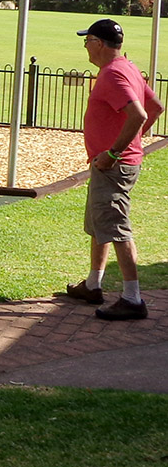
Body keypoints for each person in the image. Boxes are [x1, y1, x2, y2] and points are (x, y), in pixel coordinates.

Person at [65, 19, 164, 321]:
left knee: (117, 228)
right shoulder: (128, 67)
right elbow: (157, 106)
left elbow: (140, 113)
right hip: (110, 163)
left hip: (115, 165)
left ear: (99, 43)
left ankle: (132, 299)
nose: (85, 46)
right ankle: (93, 285)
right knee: (100, 224)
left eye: (88, 40)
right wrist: (130, 139)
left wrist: (113, 152)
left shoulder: (114, 74)